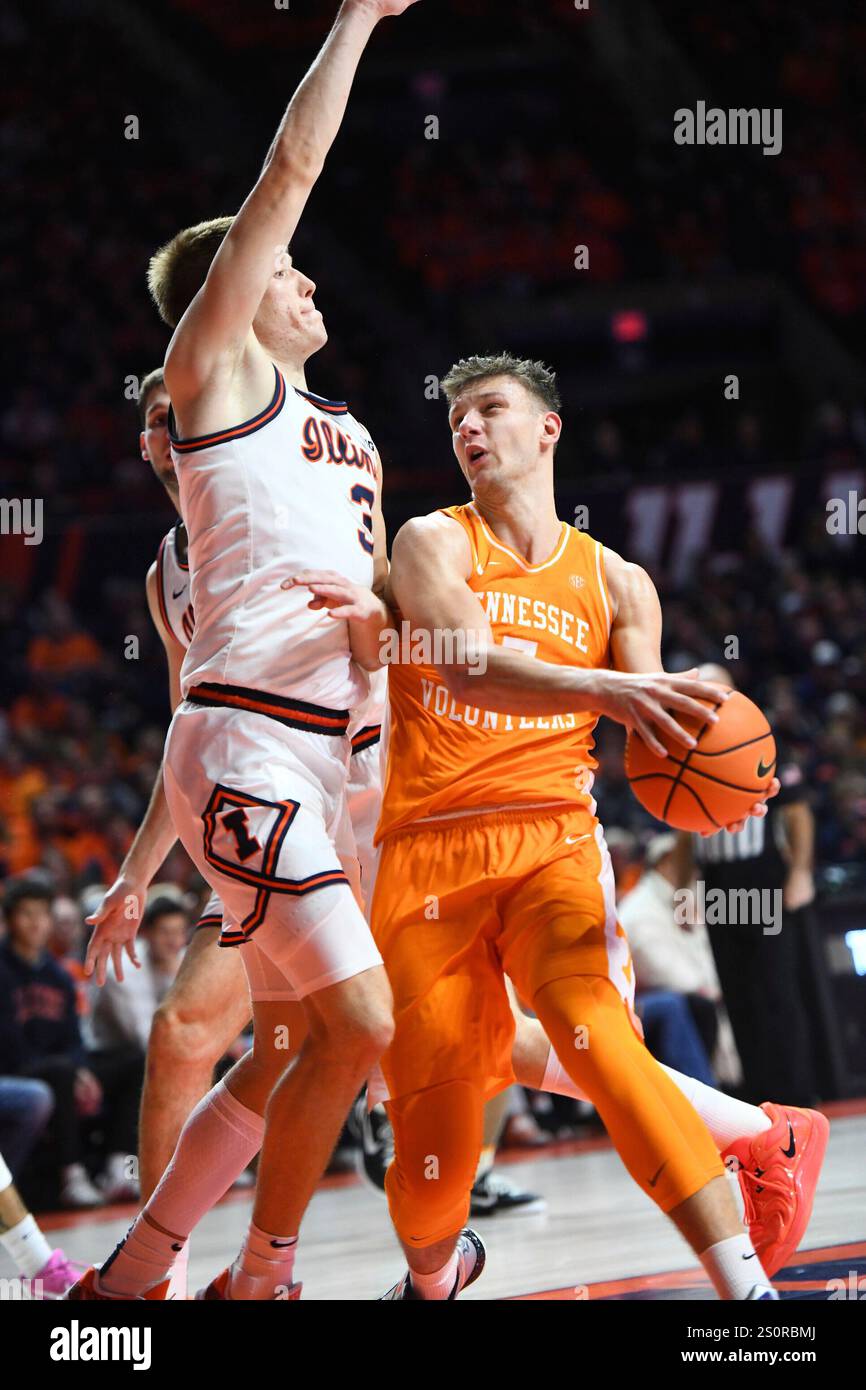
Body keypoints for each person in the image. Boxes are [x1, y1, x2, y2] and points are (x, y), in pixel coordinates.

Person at [332, 352, 826, 1300]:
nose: (469, 429)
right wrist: (611, 689)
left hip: (553, 834)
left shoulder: (618, 582)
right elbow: (468, 666)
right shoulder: (432, 541)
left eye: (490, 410)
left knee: (601, 1040)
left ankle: (749, 1299)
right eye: (456, 420)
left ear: (547, 427)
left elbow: (658, 740)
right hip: (429, 851)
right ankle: (432, 1281)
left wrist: (723, 784)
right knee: (435, 1151)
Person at [69, 0, 420, 1303]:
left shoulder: (354, 438)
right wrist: (357, 19)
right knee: (355, 1023)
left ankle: (135, 1275)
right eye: (287, 270)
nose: (310, 282)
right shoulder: (216, 374)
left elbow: (381, 609)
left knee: (287, 1049)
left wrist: (403, 629)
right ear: (234, 292)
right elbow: (290, 171)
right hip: (250, 741)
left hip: (342, 761)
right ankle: (258, 1276)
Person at [678, 663, 820, 1107]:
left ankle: (795, 1096)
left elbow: (797, 812)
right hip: (717, 882)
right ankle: (759, 1100)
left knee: (775, 988)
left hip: (762, 878)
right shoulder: (682, 747)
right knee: (737, 993)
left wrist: (800, 872)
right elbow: (682, 827)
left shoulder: (760, 739)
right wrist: (685, 888)